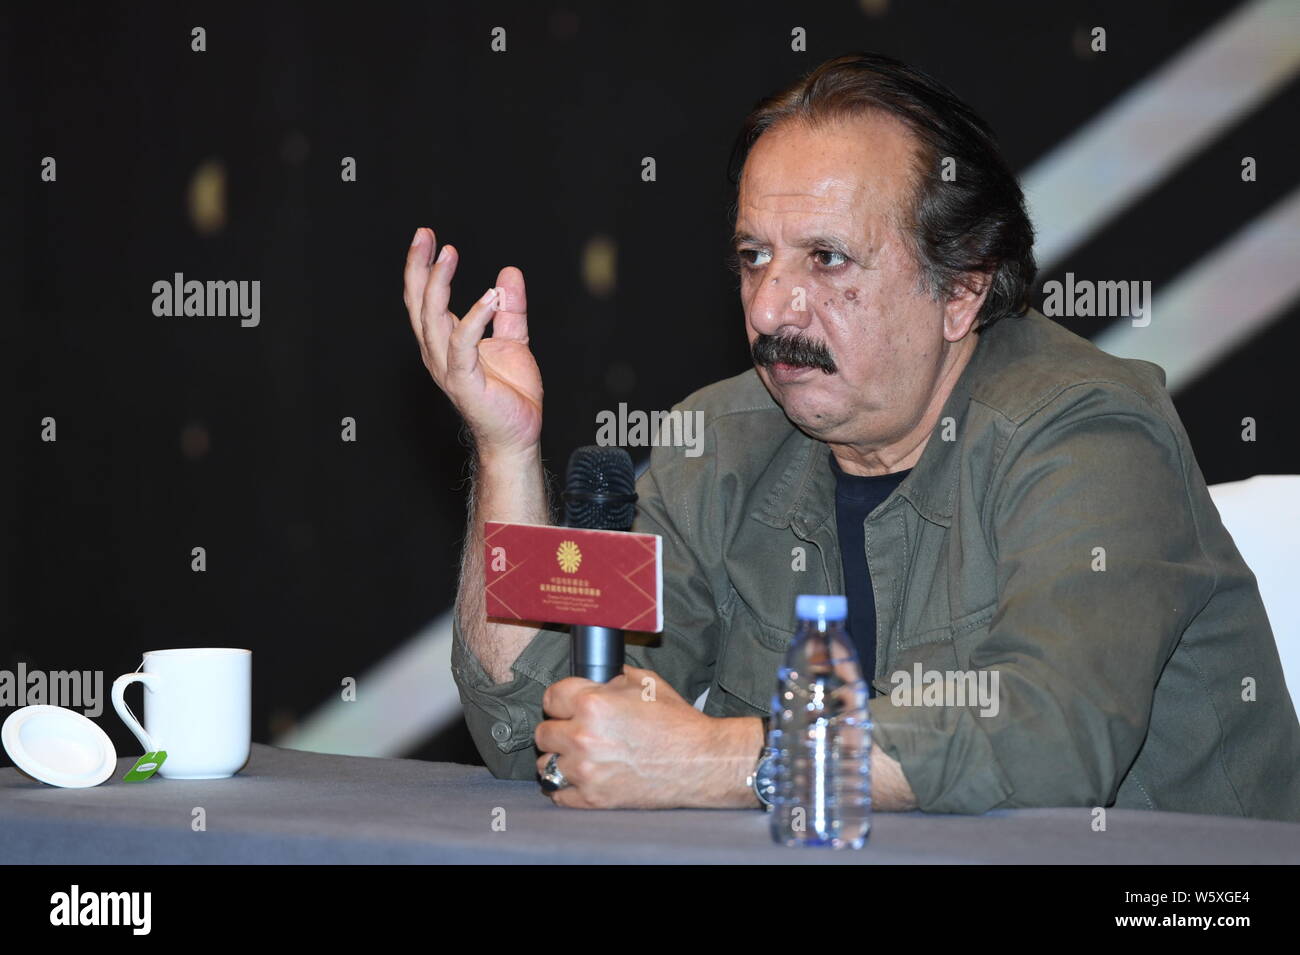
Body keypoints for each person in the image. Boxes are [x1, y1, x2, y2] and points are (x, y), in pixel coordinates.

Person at [402, 52, 1300, 819]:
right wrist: (506, 451)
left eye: (826, 259)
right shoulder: (724, 440)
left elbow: (1052, 732)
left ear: (962, 290)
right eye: (755, 257)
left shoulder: (1089, 432)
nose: (770, 306)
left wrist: (729, 760)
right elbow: (534, 732)